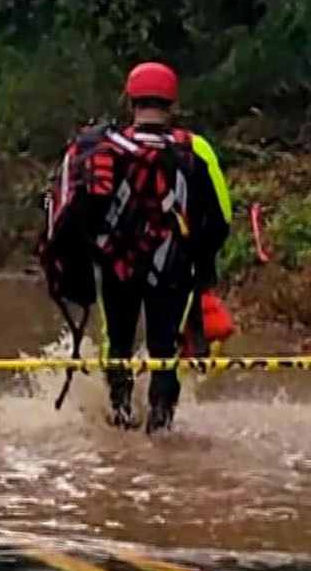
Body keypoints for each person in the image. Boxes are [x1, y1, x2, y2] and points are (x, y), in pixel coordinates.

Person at [46, 62, 231, 432]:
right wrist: (203, 267)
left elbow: (83, 212)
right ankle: (161, 428)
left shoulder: (105, 148)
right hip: (174, 268)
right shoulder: (196, 149)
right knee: (166, 349)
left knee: (117, 344)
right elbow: (221, 218)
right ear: (172, 100)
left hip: (117, 267)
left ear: (130, 98)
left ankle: (119, 418)